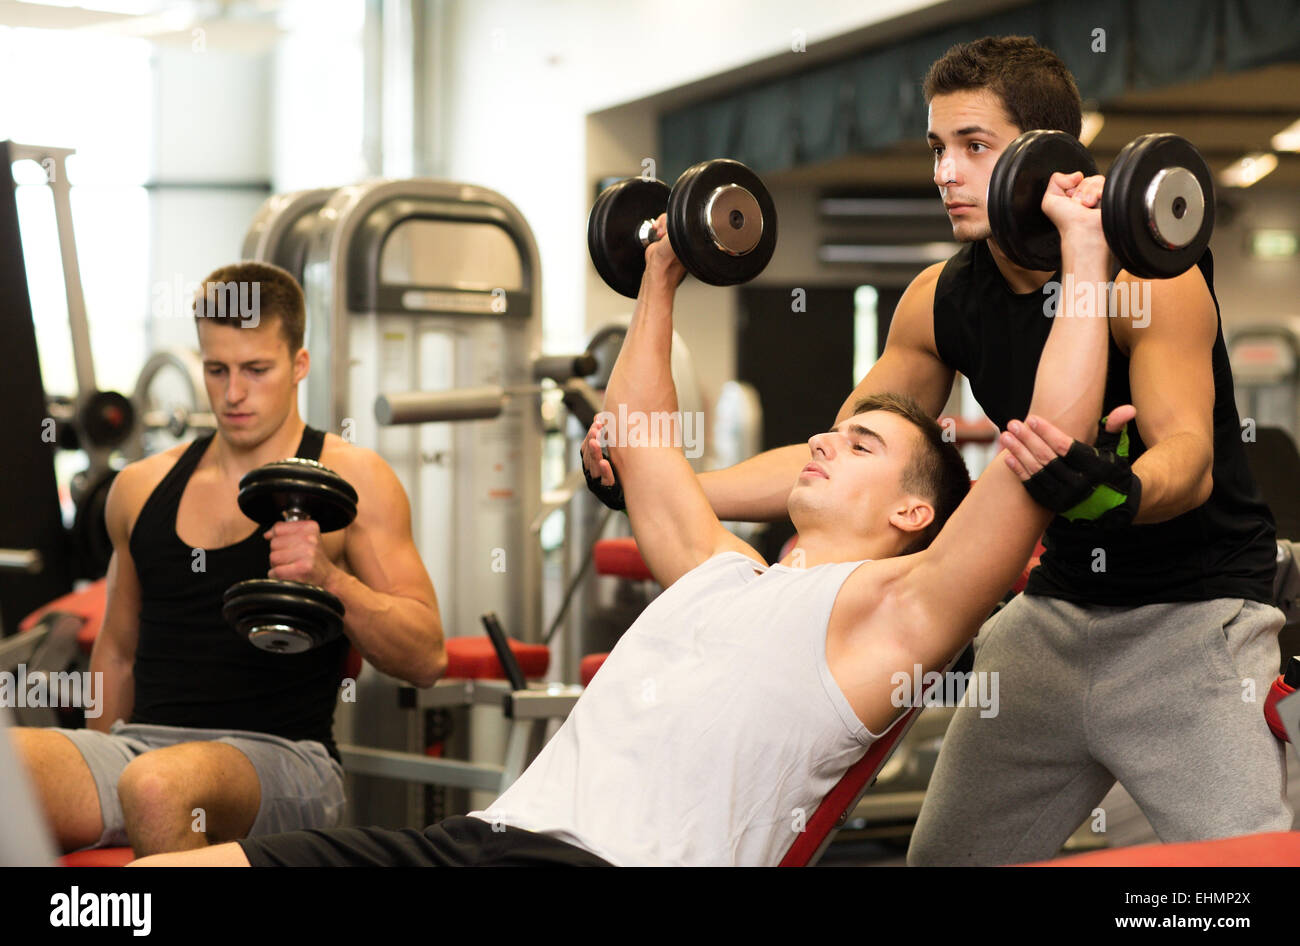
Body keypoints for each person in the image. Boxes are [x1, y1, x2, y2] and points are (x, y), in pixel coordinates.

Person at [136, 164, 1118, 866]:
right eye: (833, 430)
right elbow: (643, 431)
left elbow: (1050, 439)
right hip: (476, 839)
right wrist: (661, 270)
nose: (823, 439)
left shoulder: (898, 607)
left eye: (858, 444)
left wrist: (1080, 245)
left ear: (916, 509)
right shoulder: (720, 568)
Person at [585, 36, 1290, 865]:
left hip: (1195, 620)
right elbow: (841, 456)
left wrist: (1115, 491)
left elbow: (1189, 460)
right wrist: (660, 479)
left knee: (1245, 883)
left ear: (1043, 158)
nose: (944, 173)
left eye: (973, 147)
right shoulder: (938, 300)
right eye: (937, 148)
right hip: (1054, 622)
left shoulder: (1149, 281)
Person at [11, 262, 446, 857]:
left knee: (160, 786)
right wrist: (97, 781)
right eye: (217, 370)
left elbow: (427, 656)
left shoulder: (353, 476)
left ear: (299, 366)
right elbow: (116, 649)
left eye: (256, 370)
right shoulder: (140, 487)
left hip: (287, 761)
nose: (233, 393)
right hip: (141, 751)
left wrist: (328, 578)